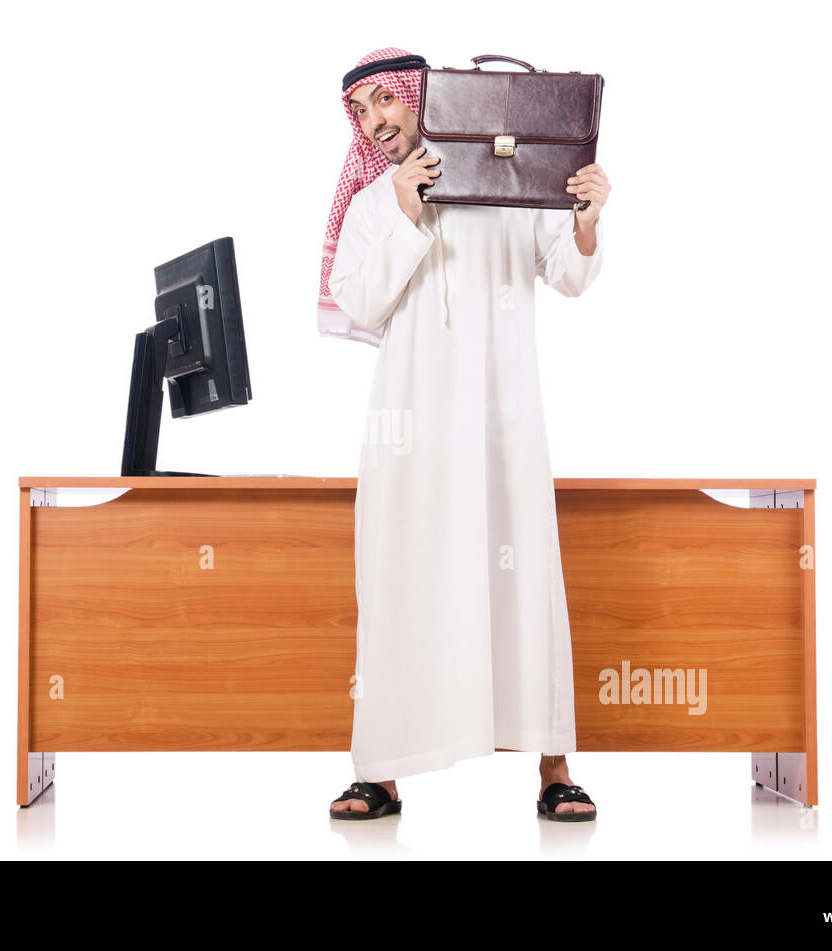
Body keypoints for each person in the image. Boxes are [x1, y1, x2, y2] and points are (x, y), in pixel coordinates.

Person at [318, 48, 609, 821]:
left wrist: (583, 217)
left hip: (502, 418)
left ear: (421, 97)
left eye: (387, 101)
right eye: (361, 110)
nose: (377, 120)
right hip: (409, 428)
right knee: (399, 581)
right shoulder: (376, 201)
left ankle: (554, 765)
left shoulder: (505, 176)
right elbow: (356, 303)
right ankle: (379, 769)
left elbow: (570, 273)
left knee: (524, 579)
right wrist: (407, 211)